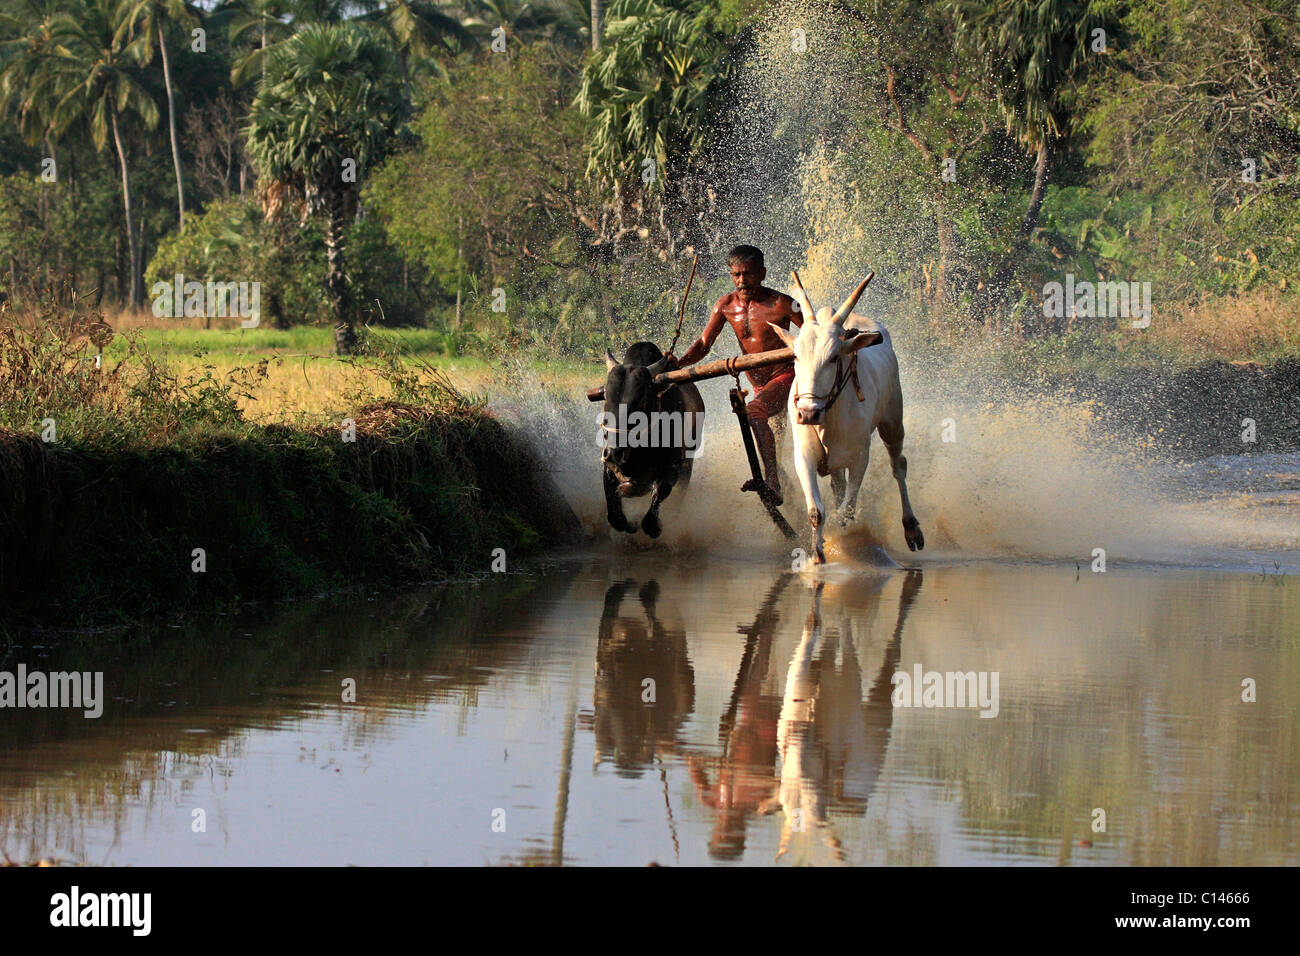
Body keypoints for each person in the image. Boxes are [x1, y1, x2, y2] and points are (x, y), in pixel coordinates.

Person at [666, 245, 802, 504]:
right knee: (767, 443)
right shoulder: (725, 305)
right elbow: (704, 344)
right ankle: (783, 484)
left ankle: (773, 484)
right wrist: (679, 364)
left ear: (761, 274)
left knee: (753, 412)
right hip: (760, 388)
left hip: (786, 379)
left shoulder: (783, 303)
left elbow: (813, 332)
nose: (742, 281)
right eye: (737, 275)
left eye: (748, 274)